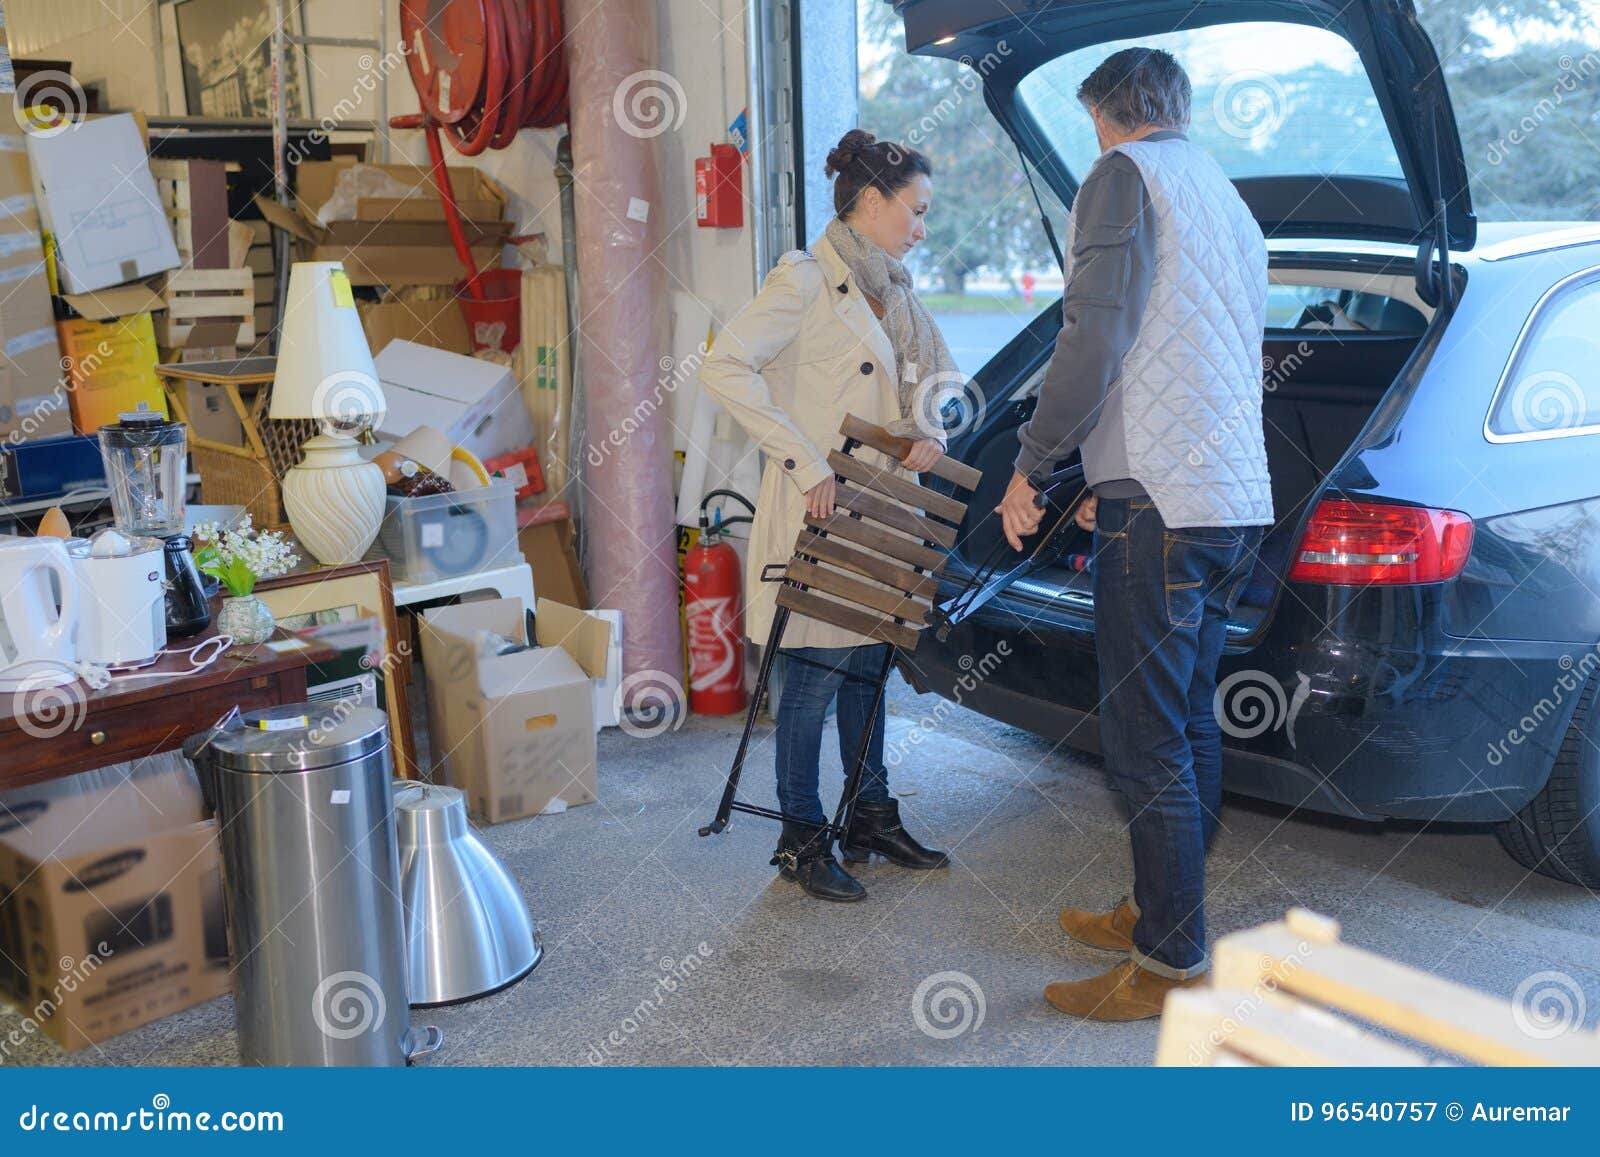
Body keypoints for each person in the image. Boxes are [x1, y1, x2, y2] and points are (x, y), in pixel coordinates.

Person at [994, 48, 1273, 1018]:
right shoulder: (1223, 198)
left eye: (1092, 124)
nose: (1095, 141)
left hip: (1162, 501)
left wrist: (1032, 462)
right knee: (1188, 719)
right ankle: (1166, 909)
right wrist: (1103, 473)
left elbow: (1095, 335)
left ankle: (1167, 962)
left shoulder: (1122, 176)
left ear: (1109, 116)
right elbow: (1188, 348)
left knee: (1143, 737)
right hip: (1225, 498)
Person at [698, 129, 955, 902]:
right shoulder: (804, 281)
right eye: (914, 210)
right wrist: (806, 463)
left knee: (870, 667)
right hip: (824, 508)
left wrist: (932, 429)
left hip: (884, 511)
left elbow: (937, 380)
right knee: (810, 679)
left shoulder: (899, 290)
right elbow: (723, 364)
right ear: (871, 202)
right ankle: (801, 838)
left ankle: (870, 813)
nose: (921, 226)